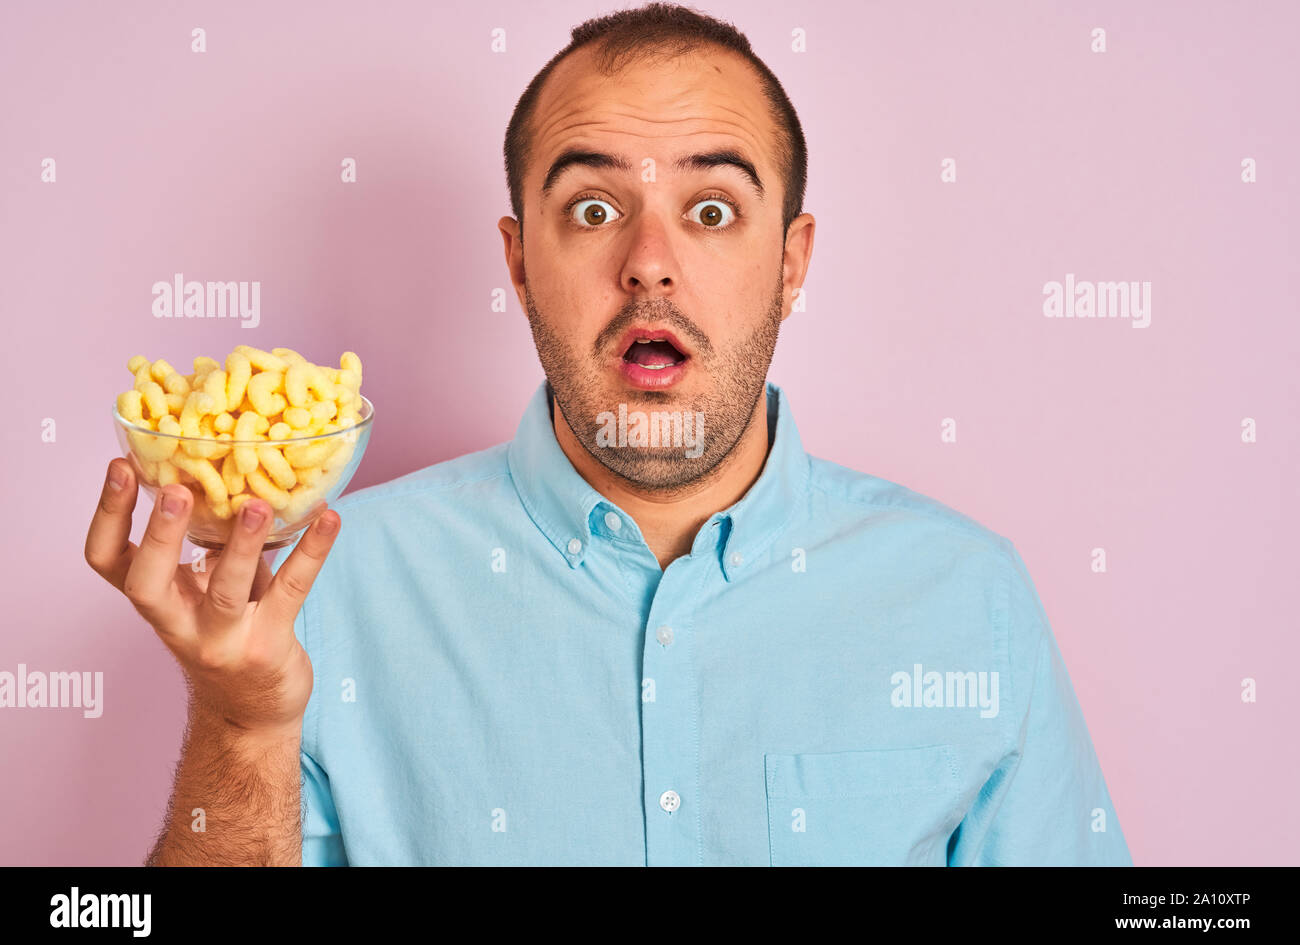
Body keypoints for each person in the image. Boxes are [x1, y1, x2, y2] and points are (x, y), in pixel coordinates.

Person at [84, 2, 1131, 866]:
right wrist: (242, 722)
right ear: (520, 259)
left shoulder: (963, 598)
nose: (648, 261)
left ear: (792, 261)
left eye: (712, 210)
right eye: (591, 209)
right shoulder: (322, 591)